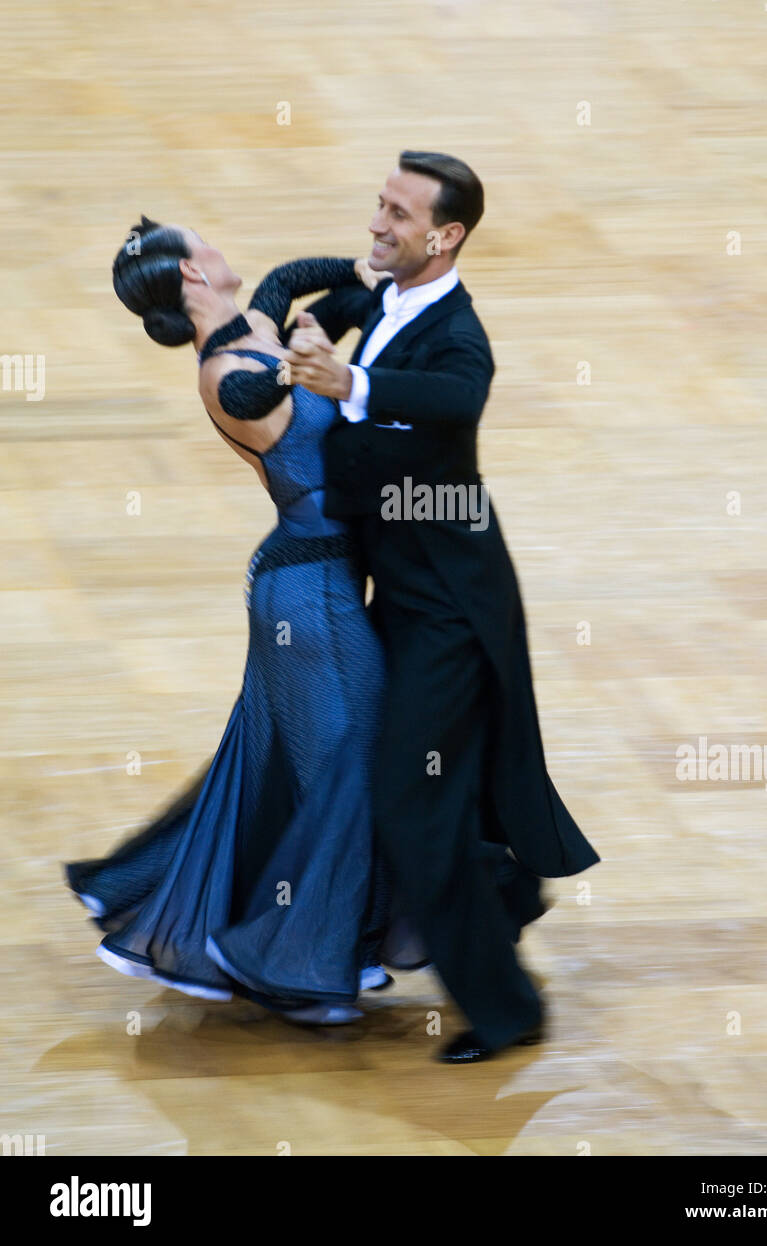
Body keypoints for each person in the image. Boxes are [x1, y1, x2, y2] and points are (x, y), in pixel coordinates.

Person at [276, 150, 601, 1062]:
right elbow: (300, 288)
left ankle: (505, 1010)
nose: (379, 224)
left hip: (451, 609)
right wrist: (267, 319)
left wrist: (349, 385)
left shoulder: (458, 336)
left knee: (411, 800)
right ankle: (499, 897)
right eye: (379, 204)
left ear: (446, 237)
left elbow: (456, 399)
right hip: (406, 593)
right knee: (401, 779)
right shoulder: (381, 296)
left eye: (399, 214)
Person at [65, 219, 397, 1024]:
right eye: (204, 245)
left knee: (300, 770)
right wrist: (307, 355)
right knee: (347, 768)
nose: (220, 248)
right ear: (189, 276)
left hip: (318, 580)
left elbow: (297, 278)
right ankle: (292, 964)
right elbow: (267, 388)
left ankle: (308, 941)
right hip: (308, 594)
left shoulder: (251, 326)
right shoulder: (224, 373)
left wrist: (376, 272)